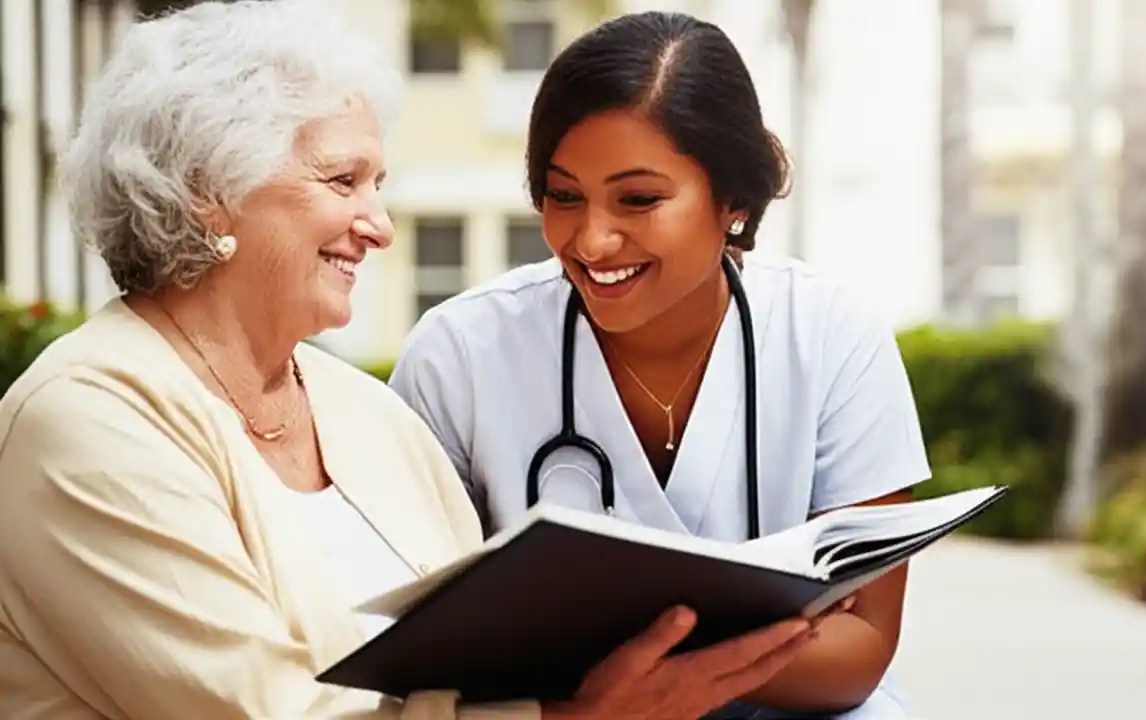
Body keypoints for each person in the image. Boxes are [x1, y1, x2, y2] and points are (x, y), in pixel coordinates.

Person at [0, 3, 822, 718]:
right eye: (343, 180)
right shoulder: (84, 421)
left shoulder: (364, 412)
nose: (380, 225)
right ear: (206, 190)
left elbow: (486, 655)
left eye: (379, 184)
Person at [390, 11, 932, 720]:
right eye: (563, 196)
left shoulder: (830, 336)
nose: (591, 239)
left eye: (639, 199)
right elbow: (415, 641)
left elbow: (858, 648)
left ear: (733, 200)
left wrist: (652, 671)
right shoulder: (458, 355)